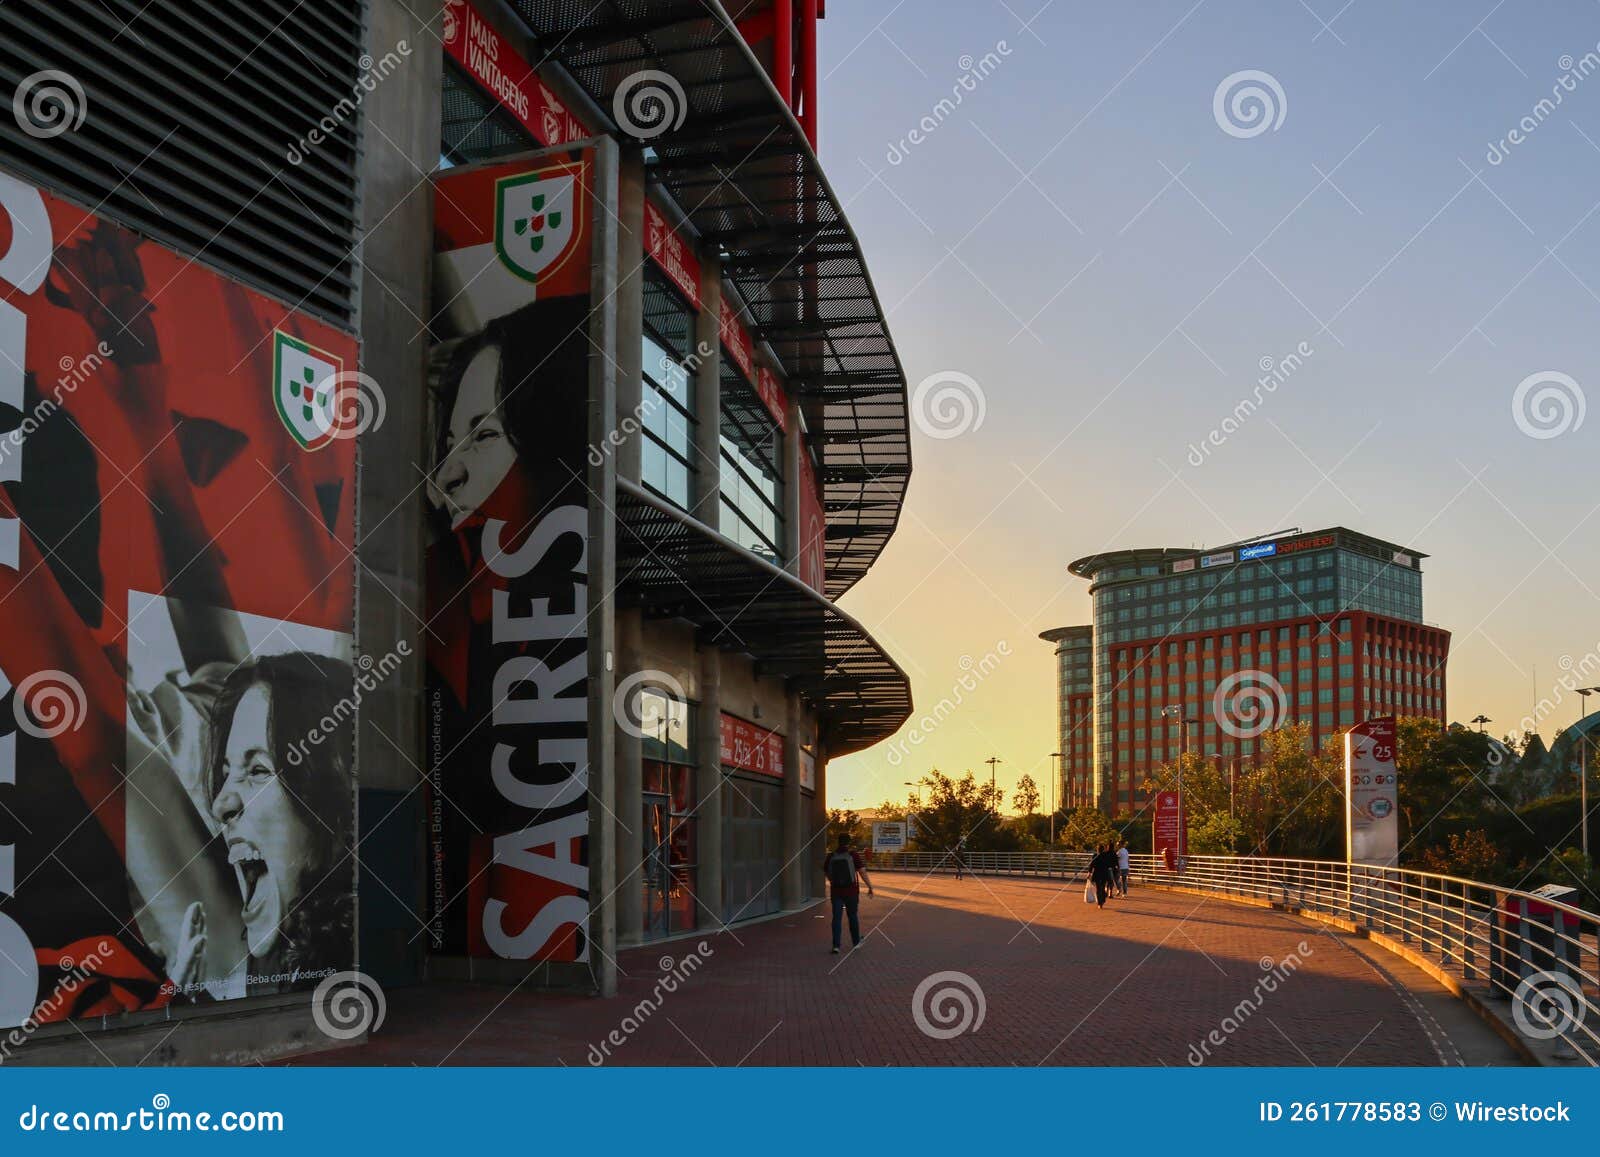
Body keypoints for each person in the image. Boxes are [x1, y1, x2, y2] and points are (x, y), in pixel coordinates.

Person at [823, 835, 873, 954]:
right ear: (848, 843)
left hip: (836, 892)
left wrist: (832, 880)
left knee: (836, 918)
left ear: (838, 842)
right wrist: (870, 886)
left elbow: (826, 870)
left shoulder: (831, 855)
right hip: (851, 891)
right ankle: (855, 942)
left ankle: (836, 946)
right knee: (852, 916)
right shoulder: (853, 855)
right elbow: (862, 872)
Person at [1090, 842, 1115, 909]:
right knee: (1103, 887)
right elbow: (1109, 864)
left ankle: (1099, 903)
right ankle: (1103, 900)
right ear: (1103, 849)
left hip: (1097, 874)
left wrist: (1089, 873)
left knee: (1098, 889)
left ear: (1097, 849)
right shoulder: (1106, 855)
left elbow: (1091, 865)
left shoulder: (1095, 855)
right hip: (1104, 873)